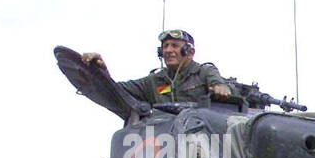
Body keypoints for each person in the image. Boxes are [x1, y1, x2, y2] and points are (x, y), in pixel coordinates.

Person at [81, 29, 232, 106]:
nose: (168, 50)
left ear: (189, 52)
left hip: (201, 142)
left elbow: (218, 85)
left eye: (174, 46)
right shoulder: (154, 81)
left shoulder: (204, 72)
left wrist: (221, 88)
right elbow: (116, 90)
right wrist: (99, 71)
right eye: (165, 46)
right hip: (163, 143)